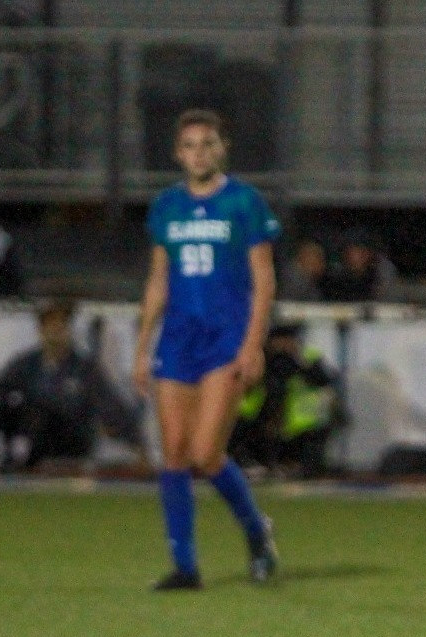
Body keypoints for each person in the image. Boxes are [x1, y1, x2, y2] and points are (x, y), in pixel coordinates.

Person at [132, 108, 281, 591]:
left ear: (222, 148)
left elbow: (263, 280)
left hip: (225, 338)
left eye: (208, 144)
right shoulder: (167, 206)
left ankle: (256, 531)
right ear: (178, 154)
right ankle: (185, 566)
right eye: (190, 145)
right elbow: (159, 280)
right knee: (174, 453)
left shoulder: (243, 201)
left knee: (205, 452)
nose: (199, 153)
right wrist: (142, 346)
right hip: (178, 339)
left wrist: (253, 344)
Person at [0, 299, 141, 472]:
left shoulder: (84, 369)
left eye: (61, 324)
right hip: (32, 441)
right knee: (13, 407)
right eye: (50, 324)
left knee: (42, 415)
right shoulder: (27, 364)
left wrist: (135, 443)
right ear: (41, 329)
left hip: (71, 443)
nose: (55, 331)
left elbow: (112, 407)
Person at [229, 322, 343, 478]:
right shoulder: (263, 358)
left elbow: (323, 379)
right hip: (264, 420)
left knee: (308, 466)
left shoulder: (307, 356)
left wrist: (298, 361)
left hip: (305, 425)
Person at [318, 230, 398, 303]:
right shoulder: (333, 277)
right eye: (355, 250)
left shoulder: (380, 274)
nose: (362, 255)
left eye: (365, 250)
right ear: (345, 253)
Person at [279, 237, 328, 302]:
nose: (322, 264)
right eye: (318, 258)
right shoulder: (289, 277)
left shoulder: (310, 280)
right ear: (305, 256)